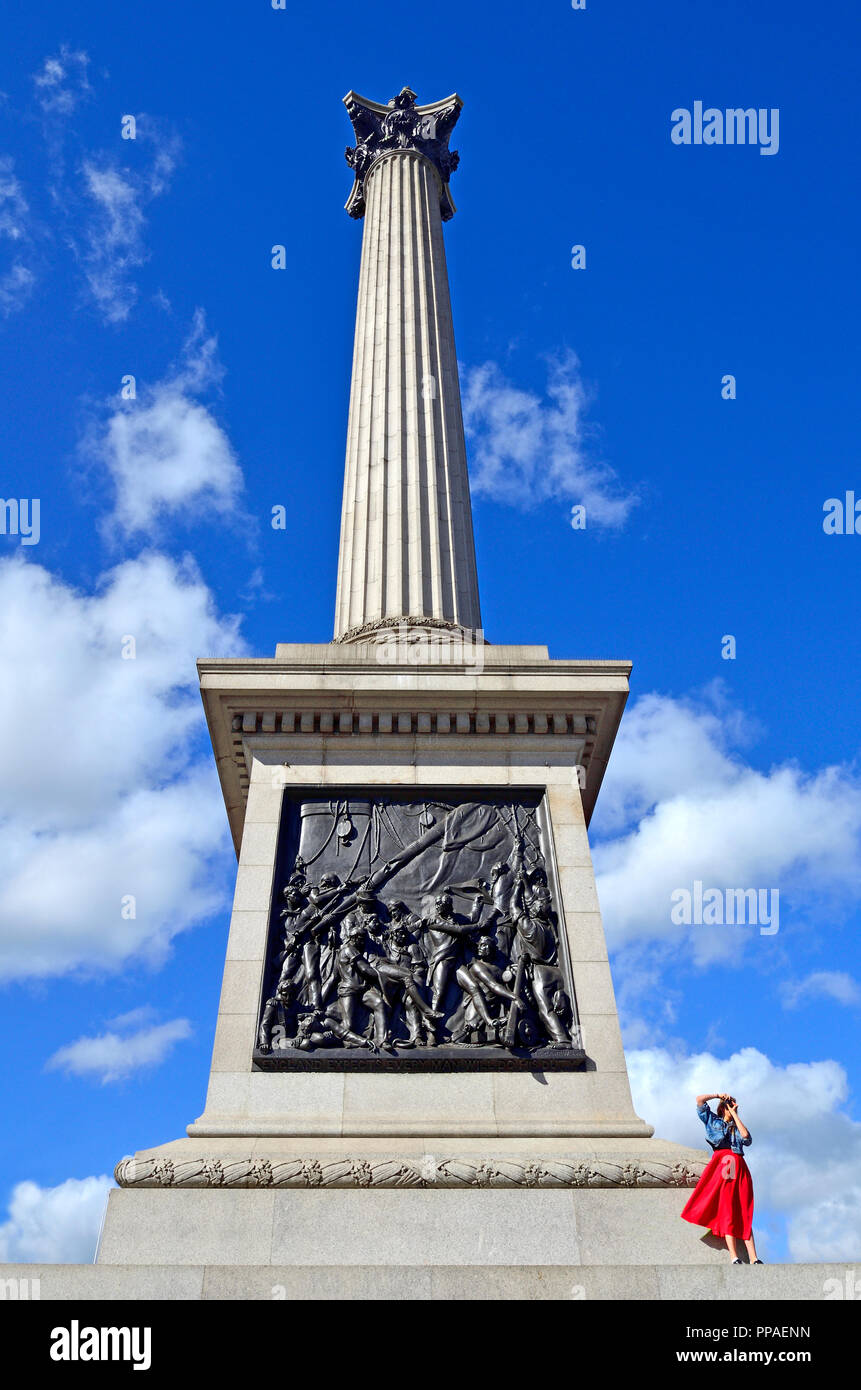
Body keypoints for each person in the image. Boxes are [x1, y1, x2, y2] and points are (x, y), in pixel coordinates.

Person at [681, 1092, 762, 1264]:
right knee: (728, 1211)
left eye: (733, 1104)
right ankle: (734, 1256)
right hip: (725, 1165)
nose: (732, 1106)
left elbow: (746, 1137)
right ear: (722, 1107)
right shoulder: (713, 1121)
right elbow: (699, 1100)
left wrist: (734, 1114)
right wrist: (718, 1095)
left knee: (744, 1212)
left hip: (739, 1166)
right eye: (728, 1105)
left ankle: (754, 1258)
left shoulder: (735, 1127)